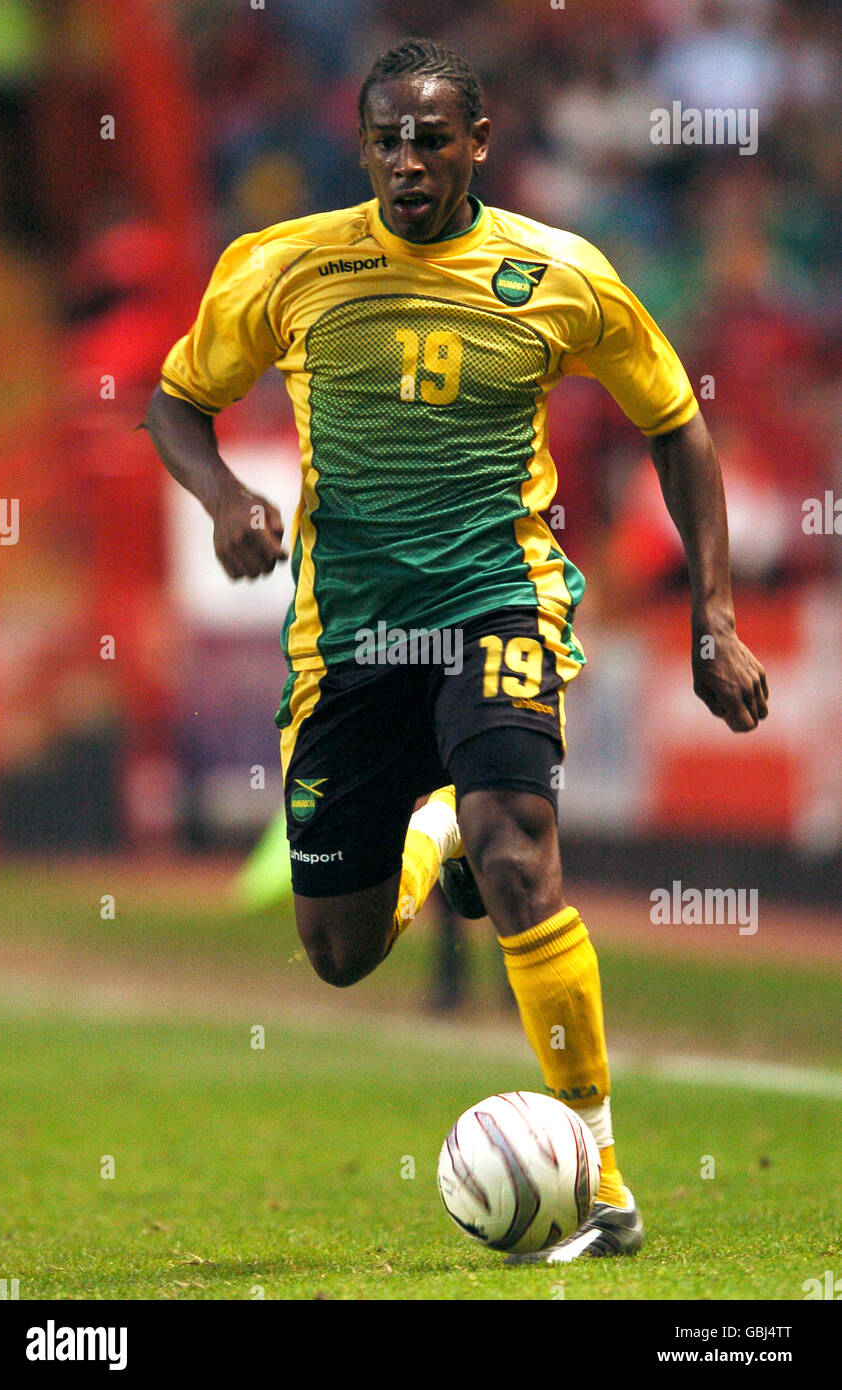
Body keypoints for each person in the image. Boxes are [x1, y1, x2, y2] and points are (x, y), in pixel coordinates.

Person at [145, 37, 769, 1262]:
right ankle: (427, 836)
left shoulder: (557, 273)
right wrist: (223, 499)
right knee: (336, 951)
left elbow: (677, 427)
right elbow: (176, 401)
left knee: (520, 855)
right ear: (360, 141)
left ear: (478, 141)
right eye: (385, 137)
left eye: (432, 137)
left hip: (500, 603)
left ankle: (598, 1172)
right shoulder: (282, 266)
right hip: (350, 638)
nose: (406, 160)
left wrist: (713, 615)